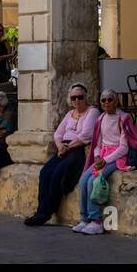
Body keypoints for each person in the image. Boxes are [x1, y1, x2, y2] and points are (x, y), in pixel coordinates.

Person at [74, 89, 137, 235]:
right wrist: (97, 157)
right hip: (102, 155)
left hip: (116, 157)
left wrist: (105, 160)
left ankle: (96, 220)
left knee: (94, 181)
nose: (106, 102)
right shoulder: (101, 119)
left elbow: (123, 148)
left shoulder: (122, 119)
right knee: (84, 179)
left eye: (110, 99)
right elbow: (97, 144)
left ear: (116, 102)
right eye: (103, 100)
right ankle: (84, 218)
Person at [23, 83, 98, 227]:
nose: (77, 100)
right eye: (73, 98)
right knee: (45, 172)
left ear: (86, 97)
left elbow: (86, 135)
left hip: (78, 150)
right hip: (64, 148)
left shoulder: (92, 112)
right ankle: (40, 210)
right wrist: (59, 146)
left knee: (58, 173)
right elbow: (58, 133)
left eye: (80, 97)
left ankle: (46, 213)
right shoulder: (70, 114)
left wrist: (67, 147)